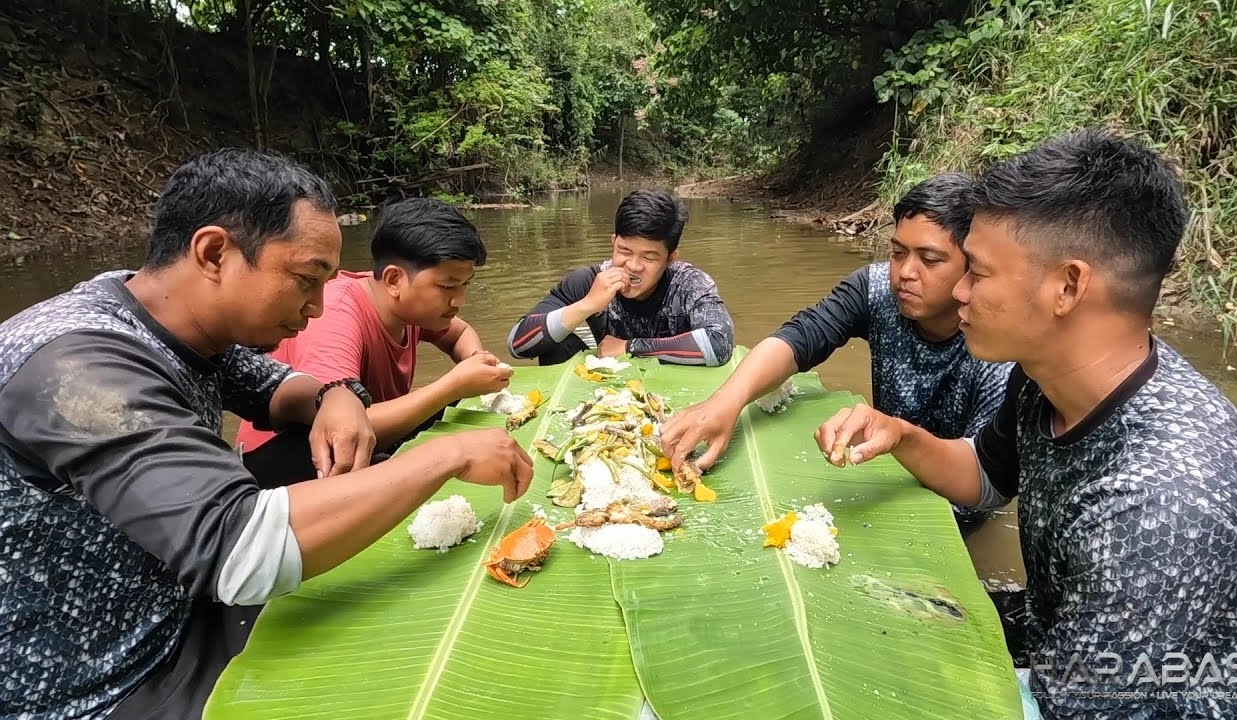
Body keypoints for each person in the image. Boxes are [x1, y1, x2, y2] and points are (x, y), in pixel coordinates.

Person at [0, 149, 532, 720]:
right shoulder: (78, 362)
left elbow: (275, 386)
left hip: (181, 611)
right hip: (109, 682)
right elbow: (236, 550)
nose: (319, 305)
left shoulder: (172, 320)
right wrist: (445, 456)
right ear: (212, 253)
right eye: (306, 279)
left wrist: (335, 395)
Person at [814, 128, 1237, 718]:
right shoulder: (1044, 375)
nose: (957, 292)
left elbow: (1078, 703)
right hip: (1059, 637)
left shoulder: (1160, 504)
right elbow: (985, 474)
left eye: (976, 274)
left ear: (1068, 285)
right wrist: (902, 435)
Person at [660, 173, 1012, 522]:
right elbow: (802, 336)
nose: (905, 272)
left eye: (930, 260)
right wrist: (726, 402)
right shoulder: (877, 291)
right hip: (880, 469)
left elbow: (983, 486)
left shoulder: (1001, 350)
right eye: (897, 253)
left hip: (950, 501)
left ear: (972, 266)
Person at [235, 197, 512, 484]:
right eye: (448, 286)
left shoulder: (412, 308)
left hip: (364, 440)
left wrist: (477, 361)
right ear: (394, 280)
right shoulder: (336, 312)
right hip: (284, 466)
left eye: (464, 285)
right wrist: (453, 385)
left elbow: (460, 333)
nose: (459, 300)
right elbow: (341, 429)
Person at [506, 189, 734, 366]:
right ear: (613, 242)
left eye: (649, 257)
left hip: (673, 389)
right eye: (624, 251)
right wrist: (587, 305)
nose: (634, 266)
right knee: (558, 343)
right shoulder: (589, 280)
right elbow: (517, 345)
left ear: (671, 258)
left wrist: (630, 347)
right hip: (611, 393)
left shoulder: (690, 284)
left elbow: (720, 344)